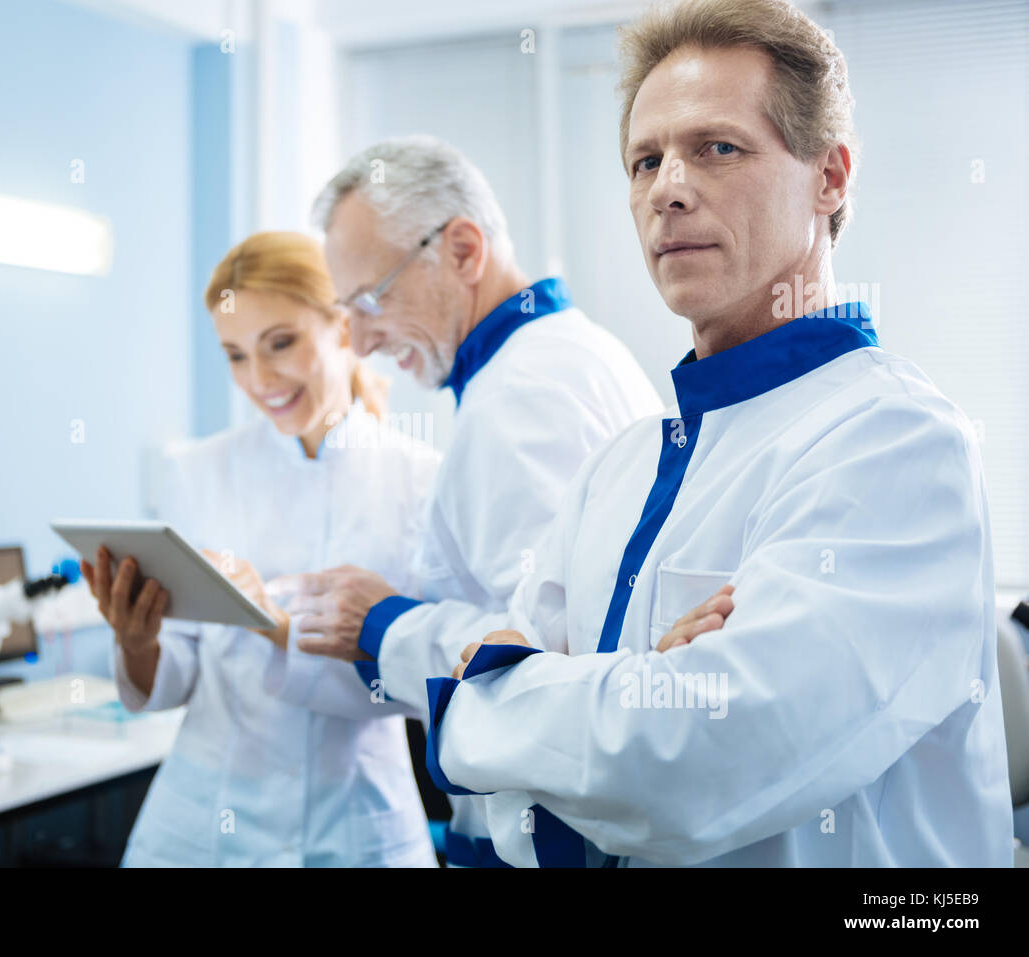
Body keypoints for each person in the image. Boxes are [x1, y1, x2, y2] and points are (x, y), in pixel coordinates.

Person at [422, 0, 1013, 867]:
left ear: (831, 178)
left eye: (717, 148)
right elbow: (503, 804)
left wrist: (490, 703)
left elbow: (698, 765)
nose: (667, 187)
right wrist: (632, 692)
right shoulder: (618, 467)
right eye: (645, 160)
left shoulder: (895, 441)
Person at [279, 136, 663, 866]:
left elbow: (549, 654)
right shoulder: (567, 353)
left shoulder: (519, 397)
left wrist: (382, 623)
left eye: (371, 298)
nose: (358, 341)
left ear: (462, 250)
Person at [85, 231, 442, 867]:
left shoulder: (421, 479)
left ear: (340, 326)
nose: (260, 378)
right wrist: (138, 642)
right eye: (235, 355)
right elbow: (178, 673)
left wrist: (276, 626)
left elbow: (424, 681)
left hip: (358, 830)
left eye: (281, 343)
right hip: (204, 830)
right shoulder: (199, 471)